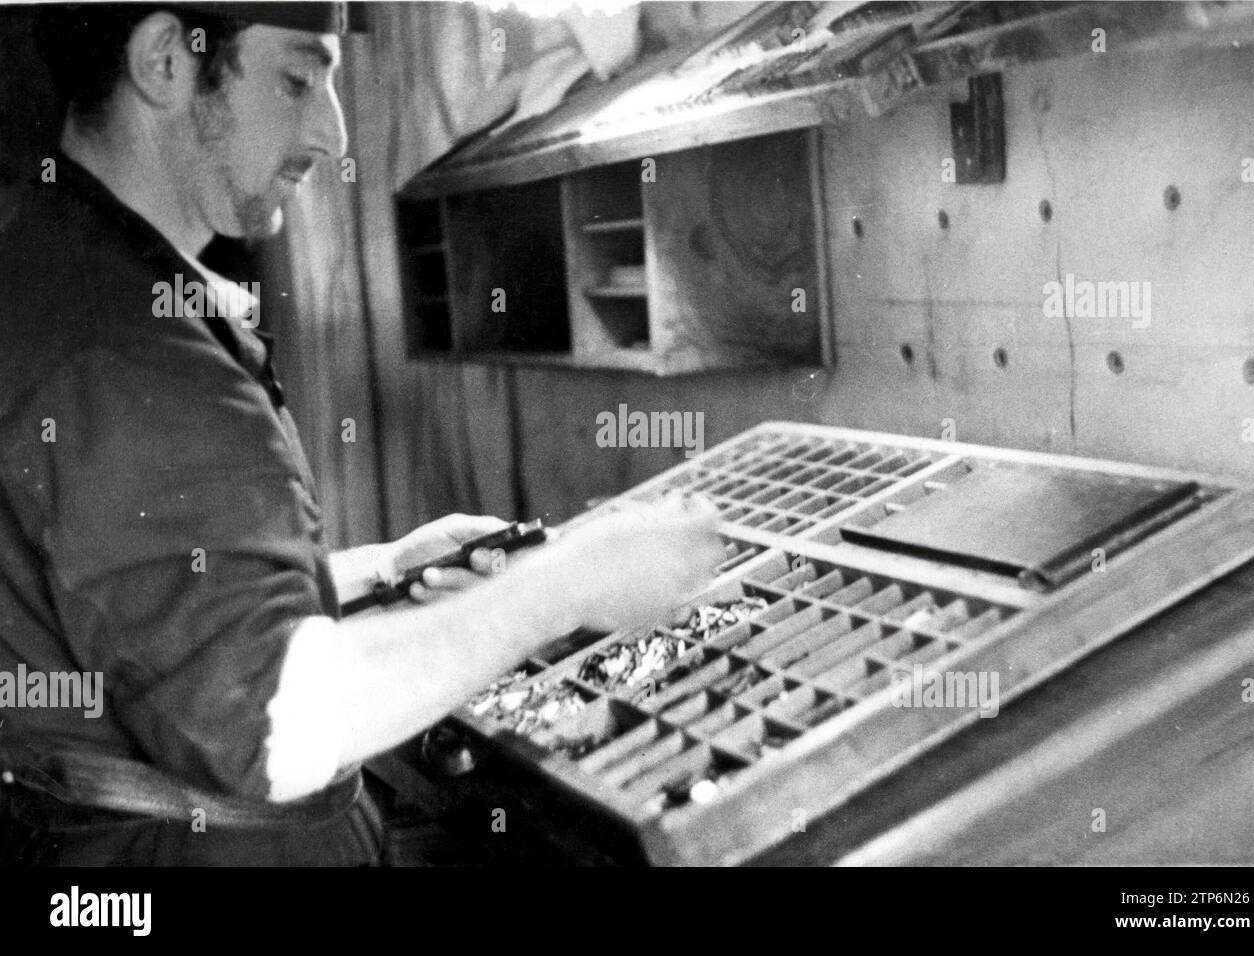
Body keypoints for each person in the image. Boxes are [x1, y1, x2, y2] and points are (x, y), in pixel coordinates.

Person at [0, 2, 722, 865]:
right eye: (299, 79)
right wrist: (568, 586)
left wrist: (381, 571)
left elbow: (155, 608)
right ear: (165, 62)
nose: (335, 135)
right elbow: (275, 729)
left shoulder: (61, 260)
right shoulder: (125, 349)